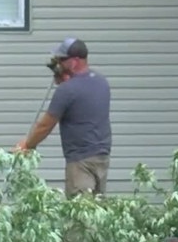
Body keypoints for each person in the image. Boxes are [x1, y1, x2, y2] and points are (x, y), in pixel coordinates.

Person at [15, 37, 112, 197]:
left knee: (81, 213)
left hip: (81, 161)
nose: (58, 64)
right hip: (101, 156)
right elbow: (83, 107)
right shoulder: (101, 82)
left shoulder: (68, 90)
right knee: (97, 211)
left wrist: (27, 145)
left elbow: (45, 125)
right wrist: (63, 80)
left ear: (74, 61)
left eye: (62, 60)